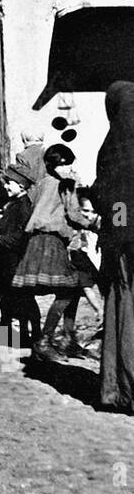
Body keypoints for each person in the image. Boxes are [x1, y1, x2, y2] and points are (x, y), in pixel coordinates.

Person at [11, 143, 82, 363]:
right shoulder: (66, 186)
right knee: (70, 290)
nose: (70, 169)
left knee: (40, 291)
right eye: (68, 164)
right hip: (52, 243)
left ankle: (55, 339)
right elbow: (74, 215)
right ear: (58, 164)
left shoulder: (40, 184)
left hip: (34, 243)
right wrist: (96, 222)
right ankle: (47, 339)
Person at [95, 82, 134, 411]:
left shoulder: (112, 149)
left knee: (123, 310)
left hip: (123, 249)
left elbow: (110, 200)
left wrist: (119, 235)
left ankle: (120, 387)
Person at [0, 163, 38, 348]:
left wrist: (0, 239)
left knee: (22, 299)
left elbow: (19, 237)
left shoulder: (22, 207)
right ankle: (13, 335)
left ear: (22, 186)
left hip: (15, 261)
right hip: (7, 261)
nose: (6, 187)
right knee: (9, 298)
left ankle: (32, 336)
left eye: (10, 183)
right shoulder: (15, 204)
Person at [67, 187, 103, 325]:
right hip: (81, 257)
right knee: (85, 286)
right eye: (85, 211)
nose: (89, 215)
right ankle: (99, 310)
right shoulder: (75, 224)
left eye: (93, 212)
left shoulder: (100, 224)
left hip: (97, 258)